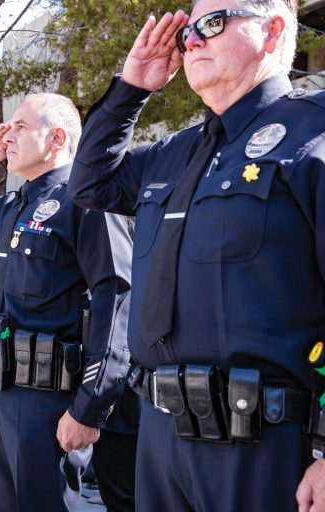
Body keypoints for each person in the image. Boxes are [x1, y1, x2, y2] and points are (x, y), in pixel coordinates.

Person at [68, 1, 325, 510]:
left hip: (263, 444)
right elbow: (90, 183)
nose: (192, 40)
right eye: (187, 31)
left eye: (213, 22)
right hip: (162, 438)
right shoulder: (176, 151)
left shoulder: (310, 133)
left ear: (272, 31)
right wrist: (132, 88)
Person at [0, 94, 135, 511]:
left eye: (19, 127)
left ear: (56, 138)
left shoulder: (85, 200)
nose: (8, 135)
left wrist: (90, 407)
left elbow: (117, 299)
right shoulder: (13, 207)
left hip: (49, 402)